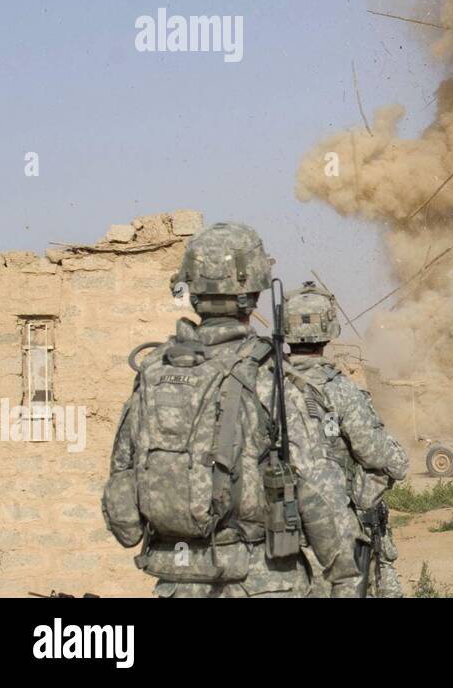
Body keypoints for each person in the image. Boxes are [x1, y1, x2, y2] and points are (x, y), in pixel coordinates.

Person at [101, 223, 360, 597]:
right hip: (262, 581)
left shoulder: (154, 371)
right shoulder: (267, 377)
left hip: (176, 582)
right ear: (254, 291)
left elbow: (121, 478)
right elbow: (316, 488)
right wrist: (344, 575)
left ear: (191, 289)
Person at [283, 281, 409, 597]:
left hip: (276, 532)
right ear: (329, 330)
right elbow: (379, 456)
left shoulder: (263, 386)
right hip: (335, 530)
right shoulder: (341, 390)